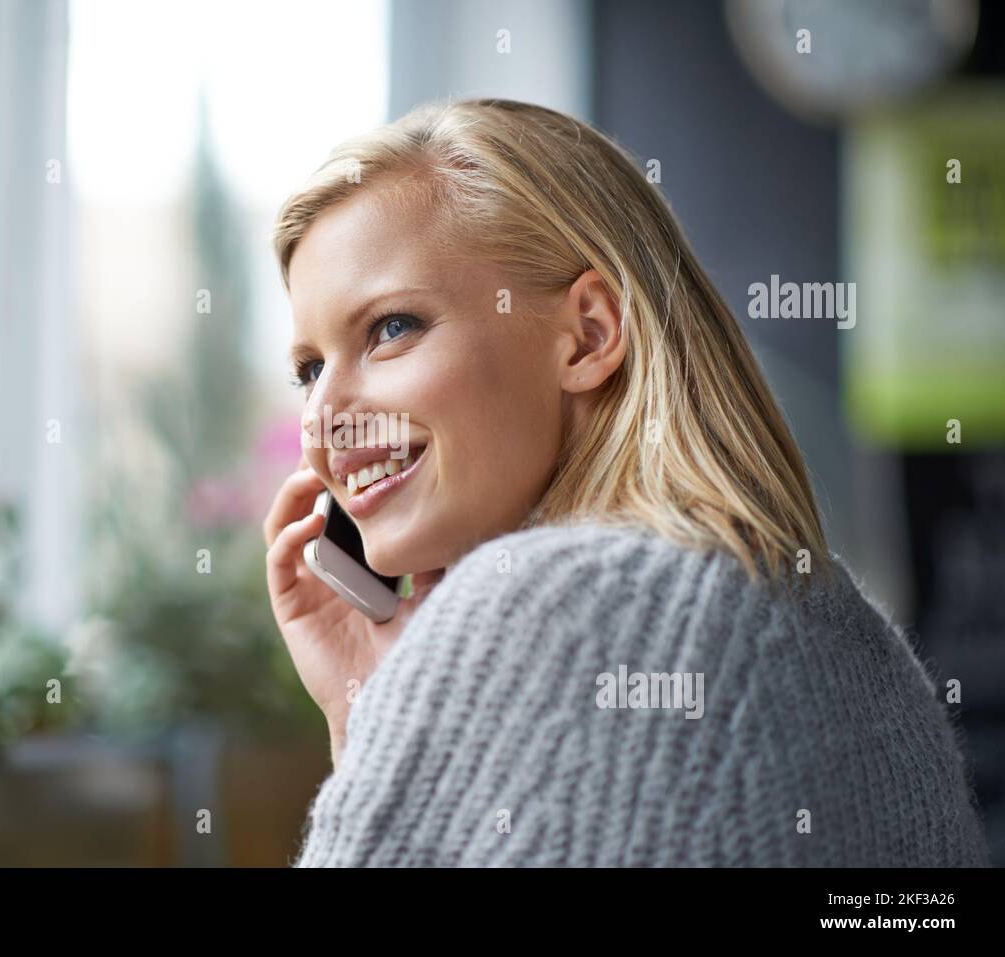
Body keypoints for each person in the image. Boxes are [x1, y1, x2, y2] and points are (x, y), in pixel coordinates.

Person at [261, 97, 990, 866]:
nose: (325, 419)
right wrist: (391, 719)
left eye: (391, 328)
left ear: (590, 334)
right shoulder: (852, 636)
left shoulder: (545, 608)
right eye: (309, 370)